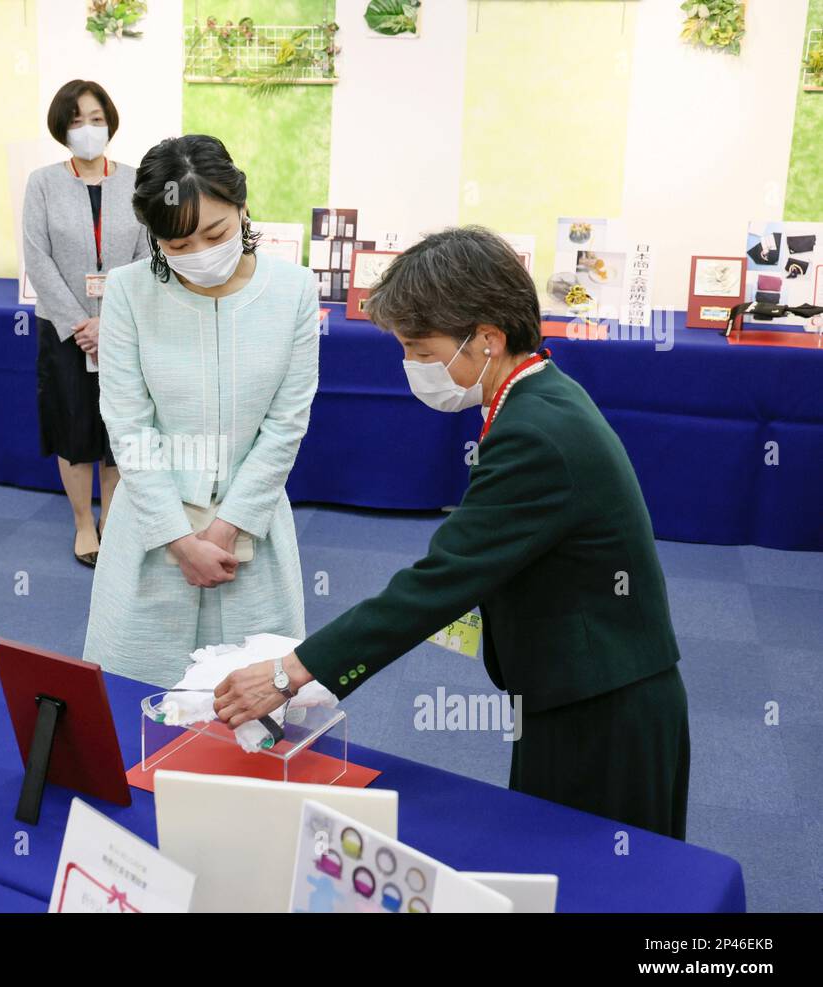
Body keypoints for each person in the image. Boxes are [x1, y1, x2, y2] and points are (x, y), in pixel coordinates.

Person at [213, 226, 691, 841]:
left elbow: (438, 583)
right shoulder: (535, 397)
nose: (411, 366)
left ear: (488, 340)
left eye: (421, 349)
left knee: (594, 883)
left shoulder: (533, 435)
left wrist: (290, 672)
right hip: (578, 683)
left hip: (601, 709)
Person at [82, 135, 320, 686]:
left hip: (249, 528)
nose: (199, 254)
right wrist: (177, 536)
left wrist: (227, 529)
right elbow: (128, 423)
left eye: (214, 234)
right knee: (136, 708)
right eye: (178, 244)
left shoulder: (292, 291)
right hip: (152, 525)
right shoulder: (128, 292)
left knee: (253, 719)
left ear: (242, 207)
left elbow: (286, 425)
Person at [23, 80, 149, 567]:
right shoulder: (43, 183)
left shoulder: (137, 180)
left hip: (123, 330)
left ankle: (111, 518)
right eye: (76, 121)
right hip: (63, 329)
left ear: (110, 122)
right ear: (61, 129)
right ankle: (82, 523)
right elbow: (38, 259)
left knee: (117, 430)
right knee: (74, 429)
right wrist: (80, 323)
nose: (88, 129)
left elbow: (146, 256)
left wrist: (110, 322)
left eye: (96, 118)